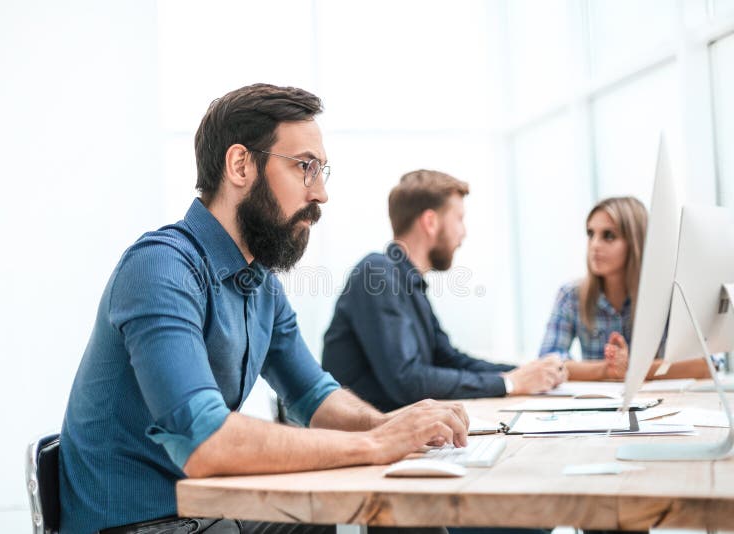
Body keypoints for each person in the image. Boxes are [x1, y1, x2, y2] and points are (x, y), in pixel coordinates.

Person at [59, 84, 467, 534]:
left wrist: (391, 424)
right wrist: (374, 442)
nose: (321, 194)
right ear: (240, 166)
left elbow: (313, 396)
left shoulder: (262, 285)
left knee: (380, 513)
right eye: (305, 168)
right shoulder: (161, 267)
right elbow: (205, 439)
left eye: (322, 171)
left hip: (206, 510)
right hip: (145, 524)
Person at [321, 170, 566, 413]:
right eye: (459, 218)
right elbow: (407, 381)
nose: (464, 232)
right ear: (430, 222)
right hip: (358, 439)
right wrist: (510, 383)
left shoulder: (409, 282)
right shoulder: (377, 273)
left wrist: (523, 372)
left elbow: (448, 359)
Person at [539, 196, 710, 380]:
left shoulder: (671, 295)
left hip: (663, 403)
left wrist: (632, 369)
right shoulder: (571, 295)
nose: (595, 245)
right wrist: (606, 369)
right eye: (591, 234)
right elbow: (546, 364)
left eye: (609, 236)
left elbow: (705, 364)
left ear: (636, 241)